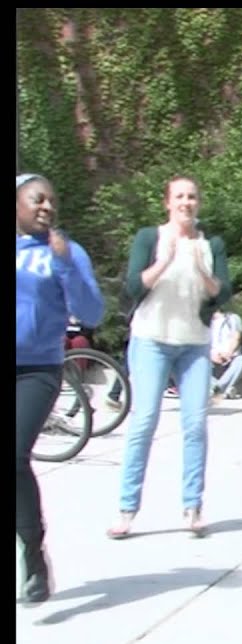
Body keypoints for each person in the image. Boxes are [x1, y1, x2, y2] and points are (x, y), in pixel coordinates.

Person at [109, 175, 232, 539]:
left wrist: (199, 269)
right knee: (144, 420)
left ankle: (192, 507)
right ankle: (126, 510)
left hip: (193, 344)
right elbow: (133, 285)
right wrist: (165, 260)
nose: (186, 203)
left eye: (192, 197)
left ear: (199, 202)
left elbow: (222, 294)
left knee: (195, 425)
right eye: (179, 196)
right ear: (167, 202)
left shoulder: (212, 245)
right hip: (151, 339)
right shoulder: (150, 237)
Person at [16, 173, 105, 604]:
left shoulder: (66, 253)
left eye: (52, 200)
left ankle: (33, 554)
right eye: (36, 199)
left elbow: (91, 311)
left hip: (36, 368)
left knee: (14, 454)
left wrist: (66, 262)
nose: (46, 207)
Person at [209, 308, 242, 400]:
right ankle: (224, 391)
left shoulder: (232, 318)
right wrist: (210, 355)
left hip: (230, 359)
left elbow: (236, 337)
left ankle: (215, 390)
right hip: (210, 362)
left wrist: (228, 353)